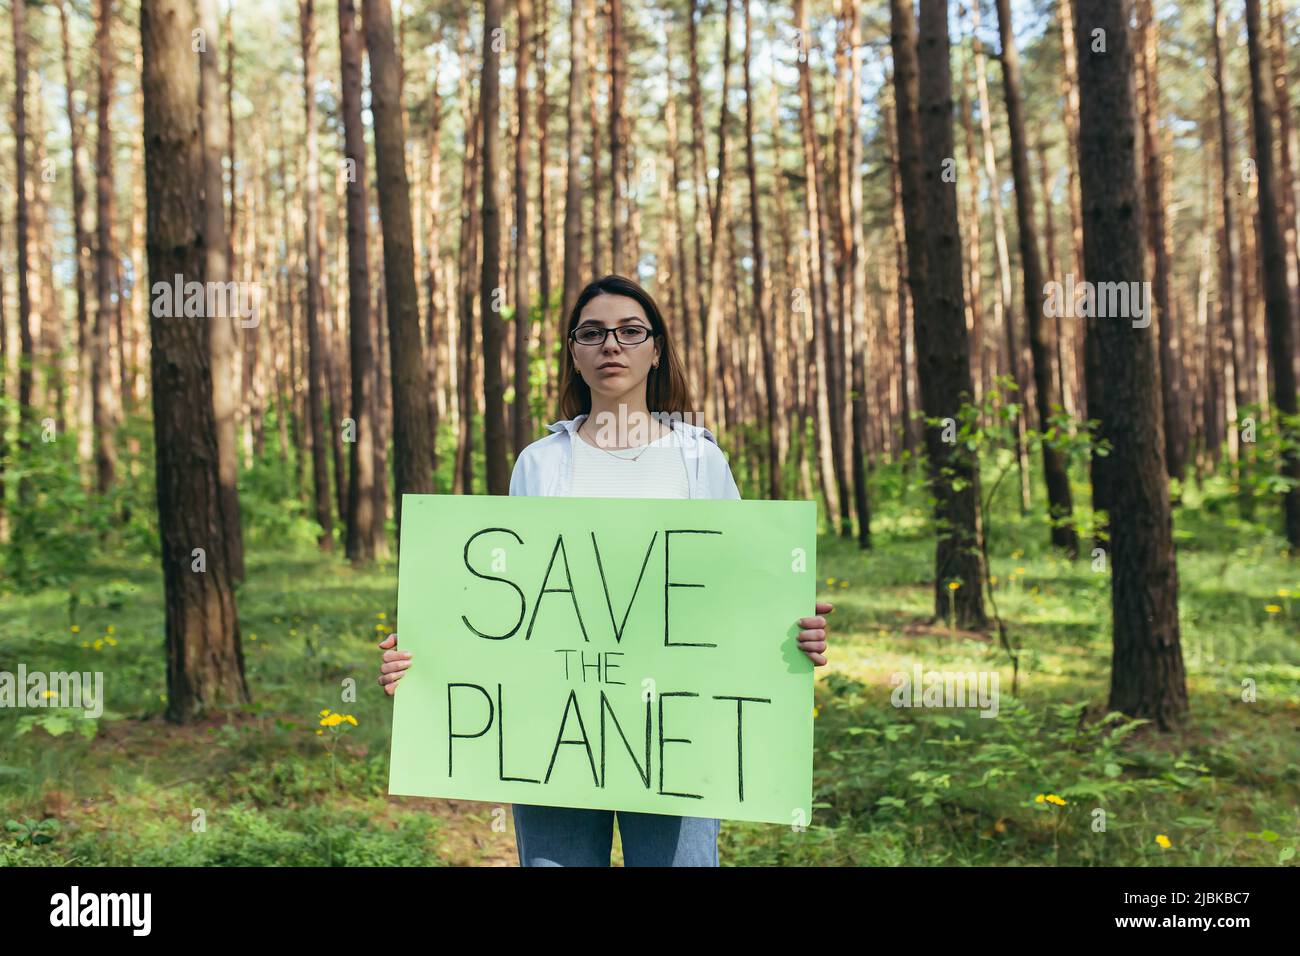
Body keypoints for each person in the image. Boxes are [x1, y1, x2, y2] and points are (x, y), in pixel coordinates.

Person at [378, 274, 834, 866]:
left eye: (629, 331)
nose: (611, 345)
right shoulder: (540, 464)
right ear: (573, 353)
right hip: (554, 734)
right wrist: (426, 657)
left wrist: (792, 630)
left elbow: (740, 590)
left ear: (655, 349)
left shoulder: (699, 460)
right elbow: (510, 606)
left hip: (681, 734)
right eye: (592, 333)